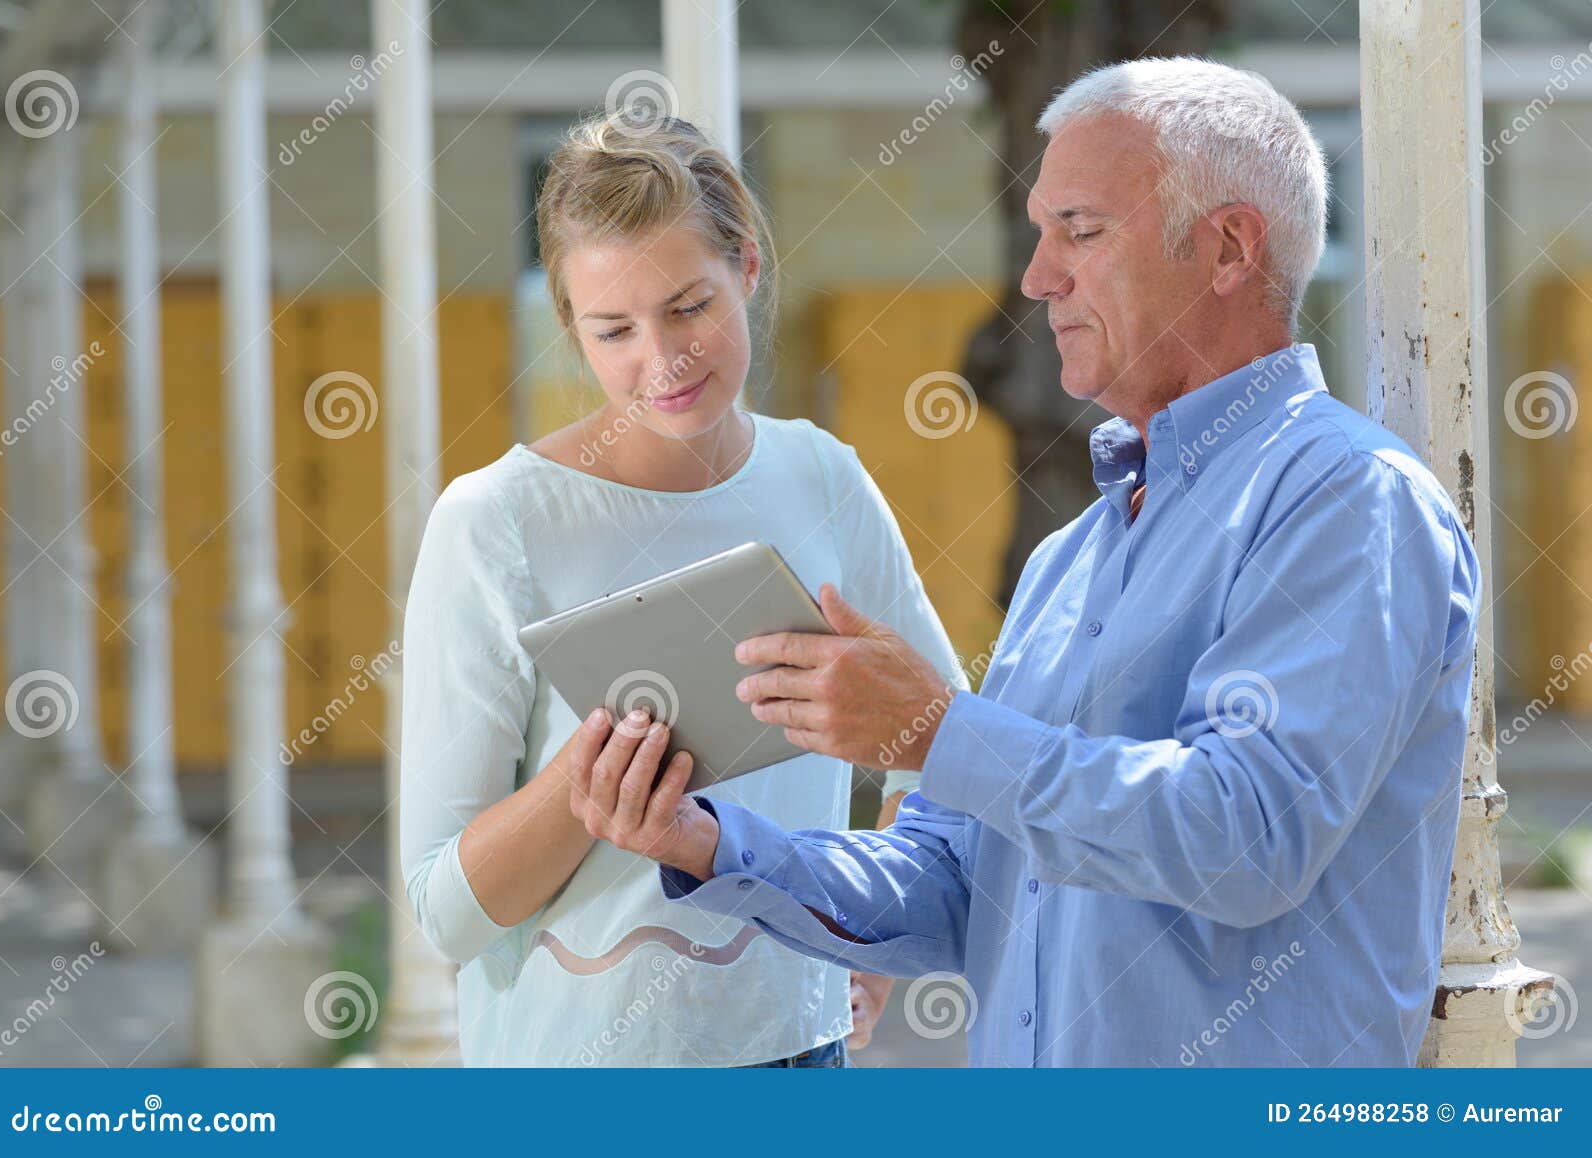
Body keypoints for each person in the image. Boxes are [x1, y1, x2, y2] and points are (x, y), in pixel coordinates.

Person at [578, 57, 1482, 1067]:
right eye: (1041, 232)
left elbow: (1247, 834)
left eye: (1081, 232)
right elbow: (963, 888)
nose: (1035, 276)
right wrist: (710, 844)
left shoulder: (1350, 499)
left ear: (1229, 247)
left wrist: (938, 728)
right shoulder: (1068, 560)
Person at [399, 111, 962, 1066]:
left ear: (747, 268)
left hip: (799, 1060)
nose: (661, 362)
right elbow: (444, 917)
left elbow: (941, 749)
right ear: (573, 330)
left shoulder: (822, 480)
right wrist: (590, 780)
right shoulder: (495, 522)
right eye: (613, 329)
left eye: (690, 306)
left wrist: (871, 954)